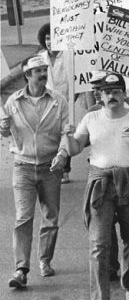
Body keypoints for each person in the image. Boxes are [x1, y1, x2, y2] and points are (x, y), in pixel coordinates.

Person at [65, 73, 129, 300]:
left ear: (124, 94)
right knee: (98, 244)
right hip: (100, 183)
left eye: (116, 91)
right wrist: (68, 135)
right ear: (100, 96)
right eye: (107, 92)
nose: (112, 96)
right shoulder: (91, 118)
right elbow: (75, 149)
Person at [1, 55, 70, 288]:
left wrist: (62, 154)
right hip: (23, 166)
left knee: (50, 216)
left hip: (50, 166)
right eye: (37, 71)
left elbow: (65, 134)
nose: (42, 74)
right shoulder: (13, 101)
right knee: (23, 217)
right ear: (27, 76)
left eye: (44, 69)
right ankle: (21, 269)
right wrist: (2, 128)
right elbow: (5, 133)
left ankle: (45, 259)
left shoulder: (59, 101)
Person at [36, 23, 71, 182]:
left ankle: (65, 168)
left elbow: (74, 81)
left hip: (65, 101)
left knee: (65, 134)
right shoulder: (40, 58)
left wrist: (71, 101)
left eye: (54, 38)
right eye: (47, 39)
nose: (50, 42)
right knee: (49, 136)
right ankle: (50, 166)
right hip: (45, 103)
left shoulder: (68, 56)